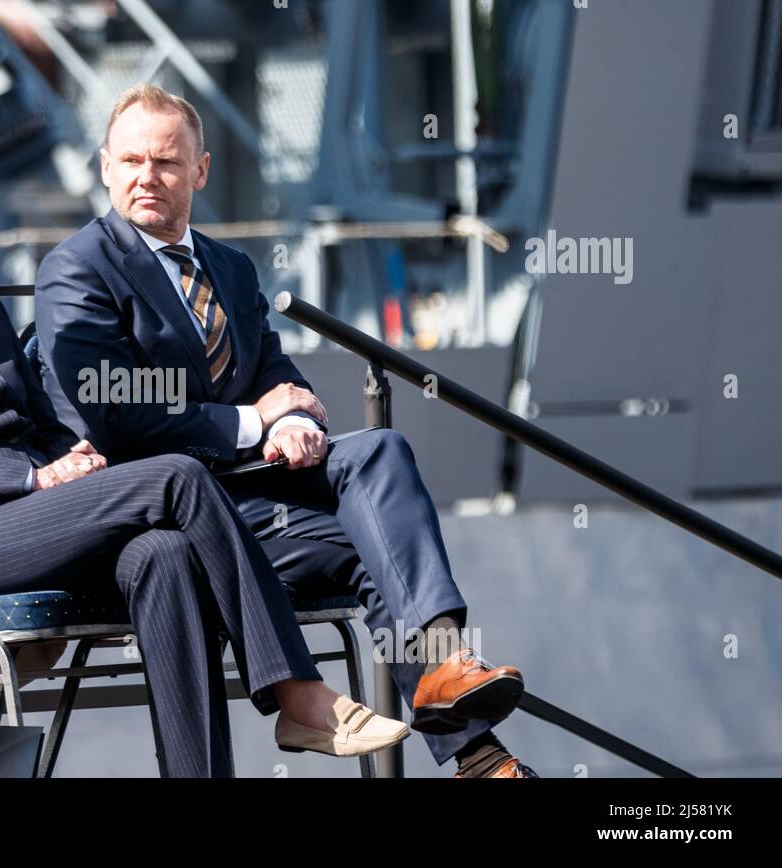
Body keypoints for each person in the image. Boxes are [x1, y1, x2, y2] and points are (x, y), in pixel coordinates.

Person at [0, 123, 410, 777]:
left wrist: (75, 461)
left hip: (24, 519)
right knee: (176, 478)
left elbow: (39, 423)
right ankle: (295, 691)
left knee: (165, 553)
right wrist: (33, 478)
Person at [35, 86, 536, 778]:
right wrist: (252, 421)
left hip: (251, 506)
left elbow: (276, 372)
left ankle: (453, 684)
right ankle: (470, 751)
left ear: (200, 171)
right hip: (163, 521)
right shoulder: (78, 269)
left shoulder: (230, 269)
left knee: (379, 460)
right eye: (131, 161)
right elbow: (116, 411)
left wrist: (295, 417)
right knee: (364, 546)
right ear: (105, 169)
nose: (147, 176)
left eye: (166, 162)